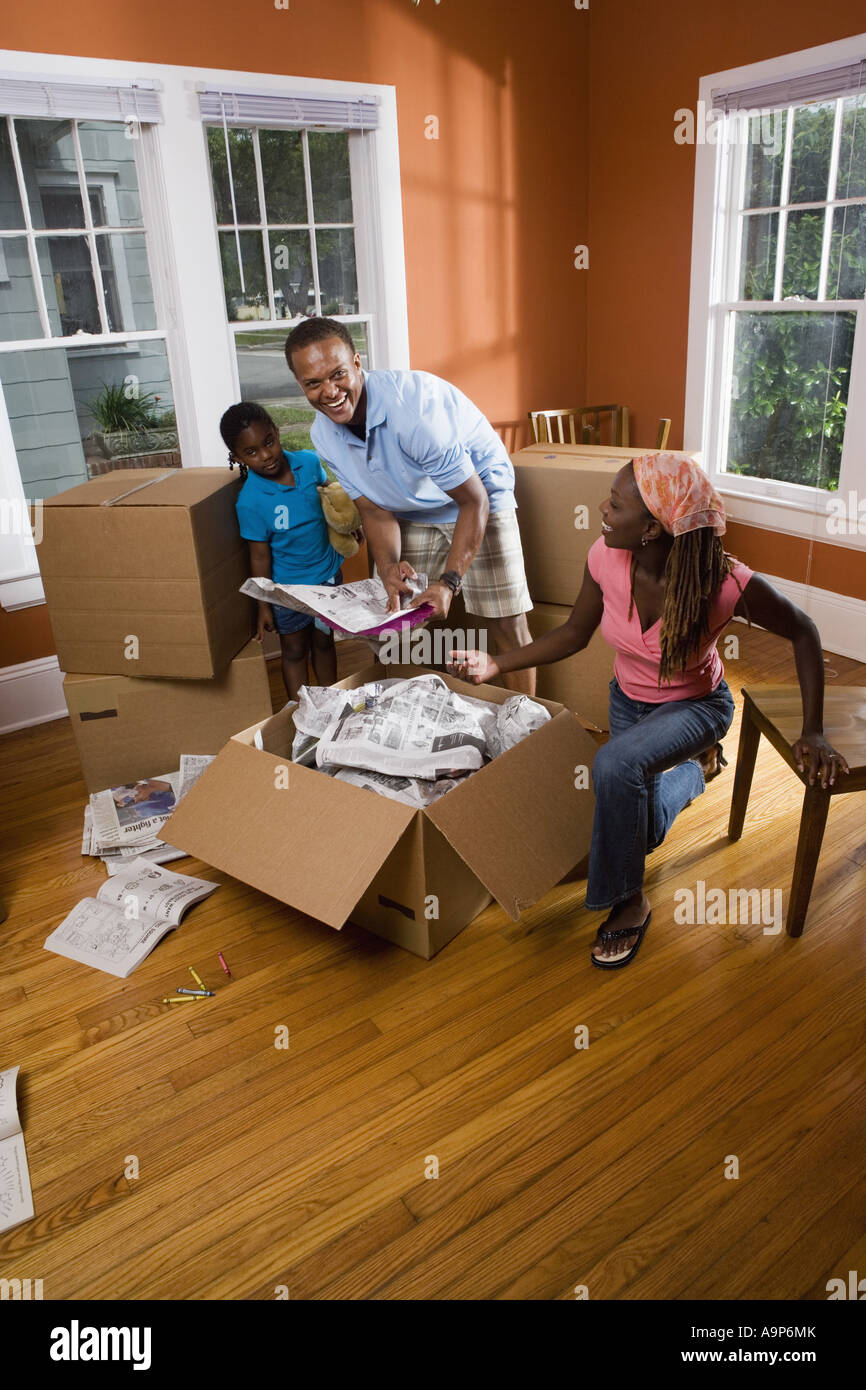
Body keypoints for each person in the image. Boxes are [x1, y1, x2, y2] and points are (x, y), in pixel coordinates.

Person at [448, 452, 850, 970]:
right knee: (643, 827)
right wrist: (495, 662)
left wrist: (812, 730)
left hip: (695, 707)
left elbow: (804, 631)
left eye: (615, 505)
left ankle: (630, 903)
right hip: (628, 703)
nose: (601, 509)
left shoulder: (724, 583)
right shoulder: (604, 557)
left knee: (616, 768)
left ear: (653, 528)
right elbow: (574, 633)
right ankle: (696, 770)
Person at [283, 317, 537, 695]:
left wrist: (448, 582)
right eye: (313, 383)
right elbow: (374, 510)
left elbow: (473, 500)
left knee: (504, 620)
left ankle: (527, 724)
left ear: (356, 363)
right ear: (300, 384)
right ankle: (412, 717)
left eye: (337, 374)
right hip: (411, 503)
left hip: (477, 493)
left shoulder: (414, 413)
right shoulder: (323, 436)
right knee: (394, 625)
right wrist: (387, 568)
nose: (330, 391)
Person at [220, 402, 344, 702]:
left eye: (269, 443)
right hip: (288, 591)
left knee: (325, 643)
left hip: (327, 578)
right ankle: (301, 713)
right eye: (251, 452)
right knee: (294, 651)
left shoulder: (309, 463)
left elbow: (332, 498)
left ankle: (333, 705)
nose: (265, 455)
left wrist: (347, 522)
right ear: (237, 457)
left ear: (276, 432)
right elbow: (259, 556)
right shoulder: (250, 501)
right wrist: (263, 604)